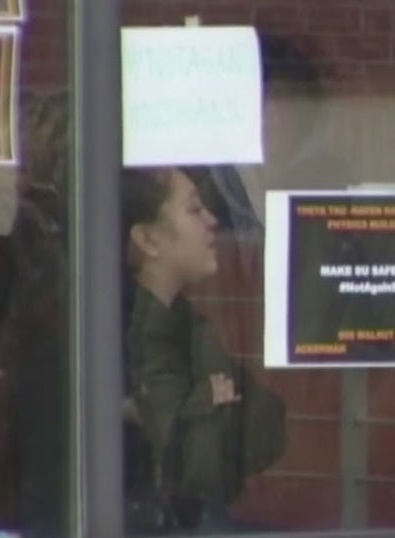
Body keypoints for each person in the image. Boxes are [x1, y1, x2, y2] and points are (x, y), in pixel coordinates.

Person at [121, 167, 287, 534]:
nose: (212, 221)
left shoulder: (192, 325)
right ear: (148, 238)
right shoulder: (129, 340)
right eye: (195, 210)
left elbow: (267, 426)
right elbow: (193, 464)